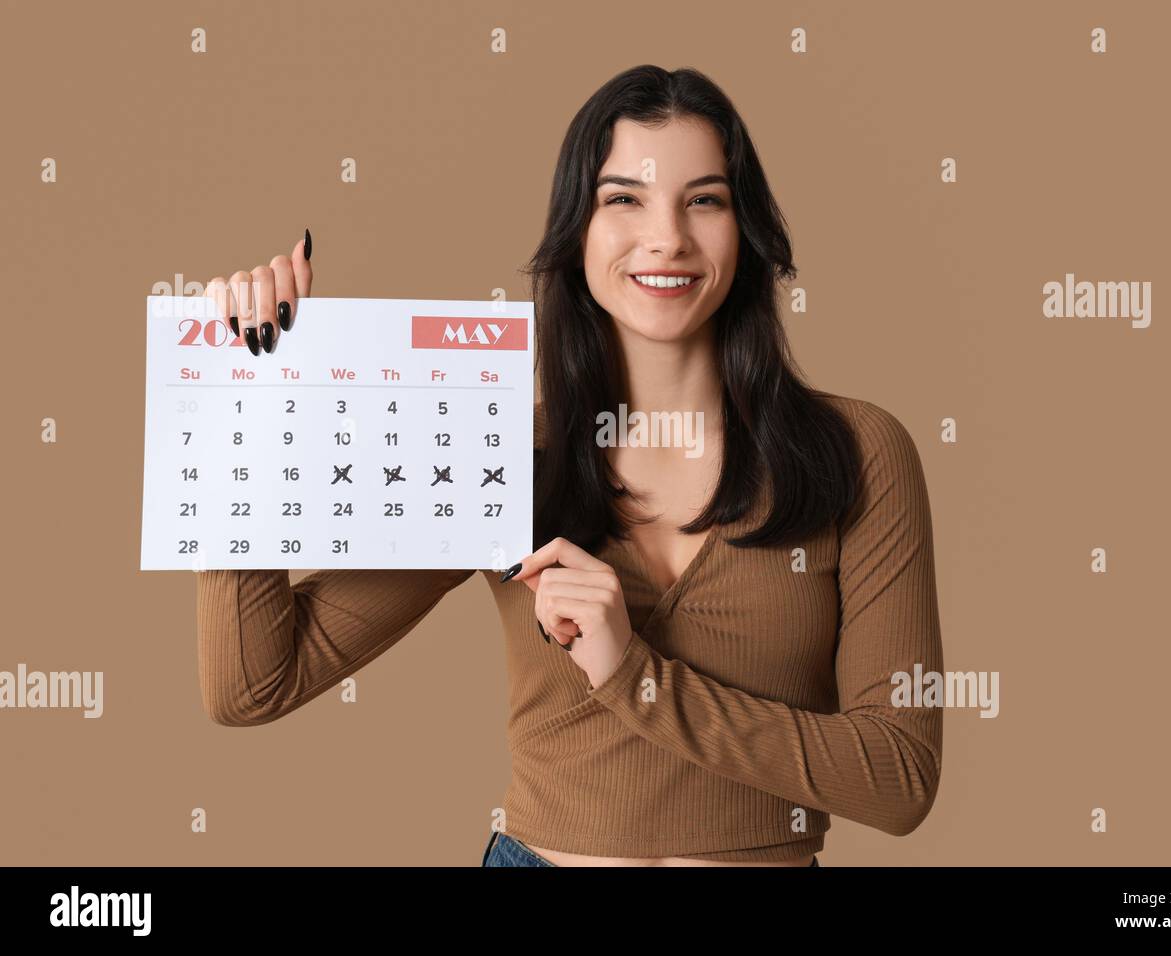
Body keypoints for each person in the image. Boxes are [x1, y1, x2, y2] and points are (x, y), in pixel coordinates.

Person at [196, 64, 943, 867]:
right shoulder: (501, 454)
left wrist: (634, 676)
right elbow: (254, 685)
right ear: (576, 233)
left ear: (745, 229)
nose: (668, 238)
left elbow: (899, 779)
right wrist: (240, 406)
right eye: (623, 199)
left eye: (705, 199)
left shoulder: (858, 453)